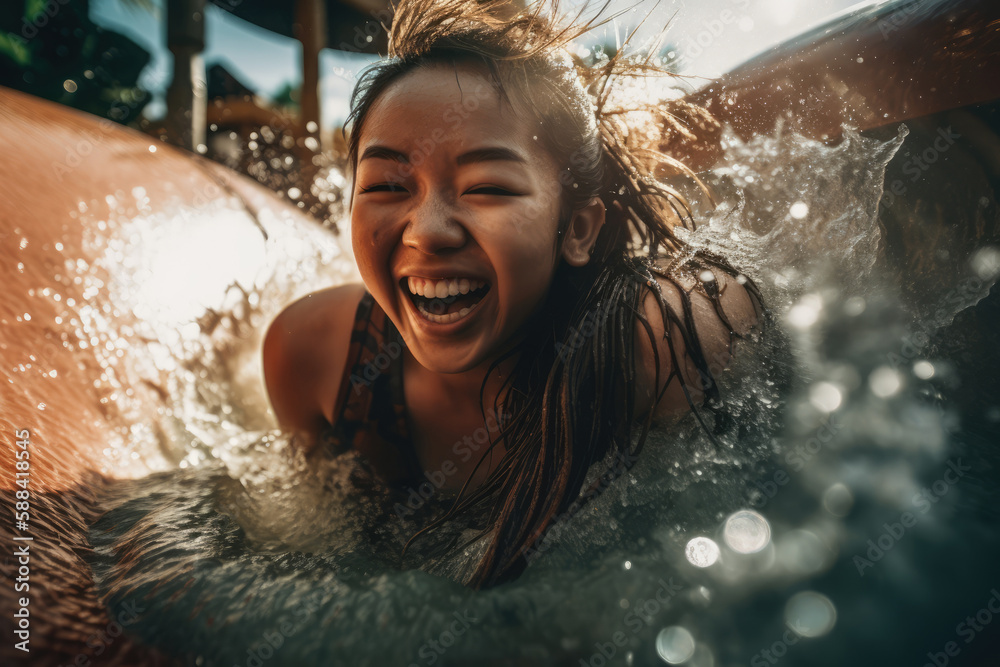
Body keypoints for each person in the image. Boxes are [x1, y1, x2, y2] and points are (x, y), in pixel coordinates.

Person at [262, 0, 762, 588]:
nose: (426, 231)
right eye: (389, 184)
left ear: (577, 228)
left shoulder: (658, 342)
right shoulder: (315, 357)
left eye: (488, 187)